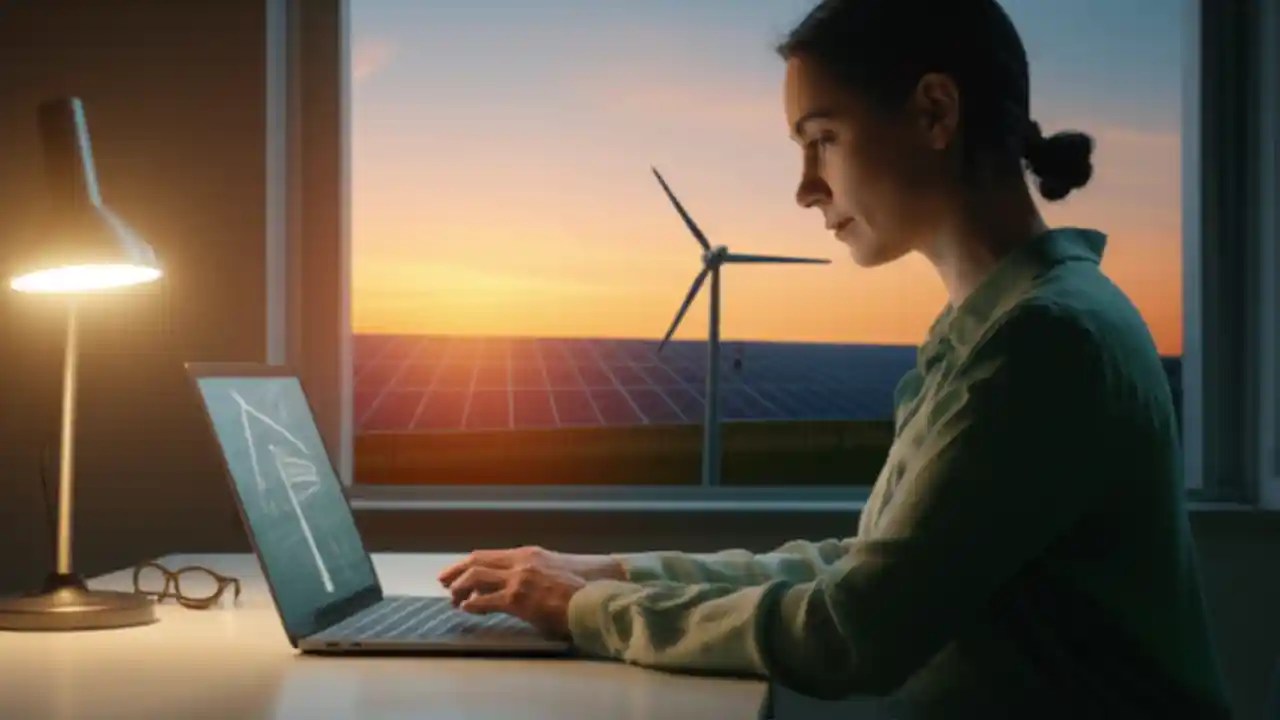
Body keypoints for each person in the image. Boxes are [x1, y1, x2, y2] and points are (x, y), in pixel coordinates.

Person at [437, 0, 1231, 715]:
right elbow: (864, 570)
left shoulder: (1042, 347)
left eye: (823, 140)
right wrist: (611, 573)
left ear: (935, 112)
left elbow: (852, 629)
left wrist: (582, 610)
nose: (805, 188)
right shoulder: (1012, 326)